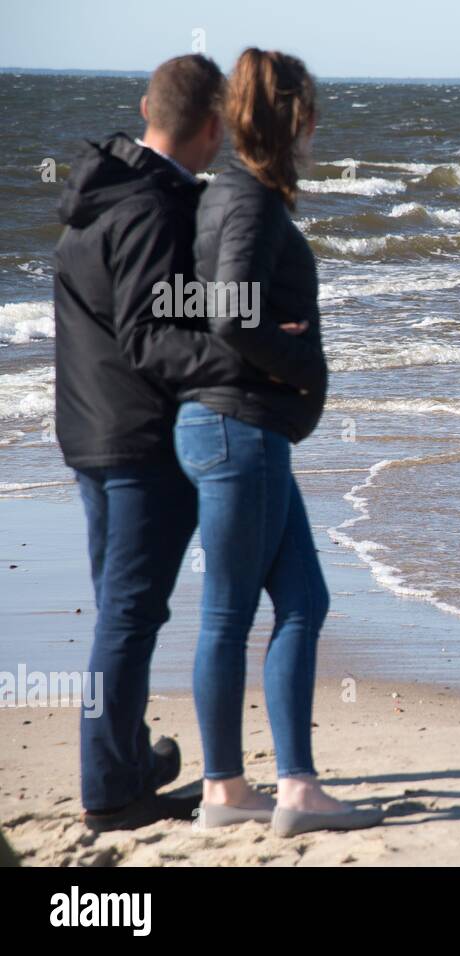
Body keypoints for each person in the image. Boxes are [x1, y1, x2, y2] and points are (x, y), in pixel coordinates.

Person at [170, 47, 380, 836]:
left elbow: (208, 303)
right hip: (238, 431)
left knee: (304, 601)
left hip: (237, 431)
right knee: (227, 614)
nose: (318, 125)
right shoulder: (250, 200)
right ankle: (227, 792)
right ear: (297, 118)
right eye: (313, 111)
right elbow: (227, 312)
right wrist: (297, 361)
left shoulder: (227, 193)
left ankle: (295, 788)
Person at [53, 54, 227, 831]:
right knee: (127, 617)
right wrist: (244, 361)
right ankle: (110, 789)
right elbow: (151, 334)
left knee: (121, 612)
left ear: (148, 106)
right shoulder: (153, 208)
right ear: (214, 125)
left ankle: (124, 760)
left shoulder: (106, 192)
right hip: (134, 438)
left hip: (91, 430)